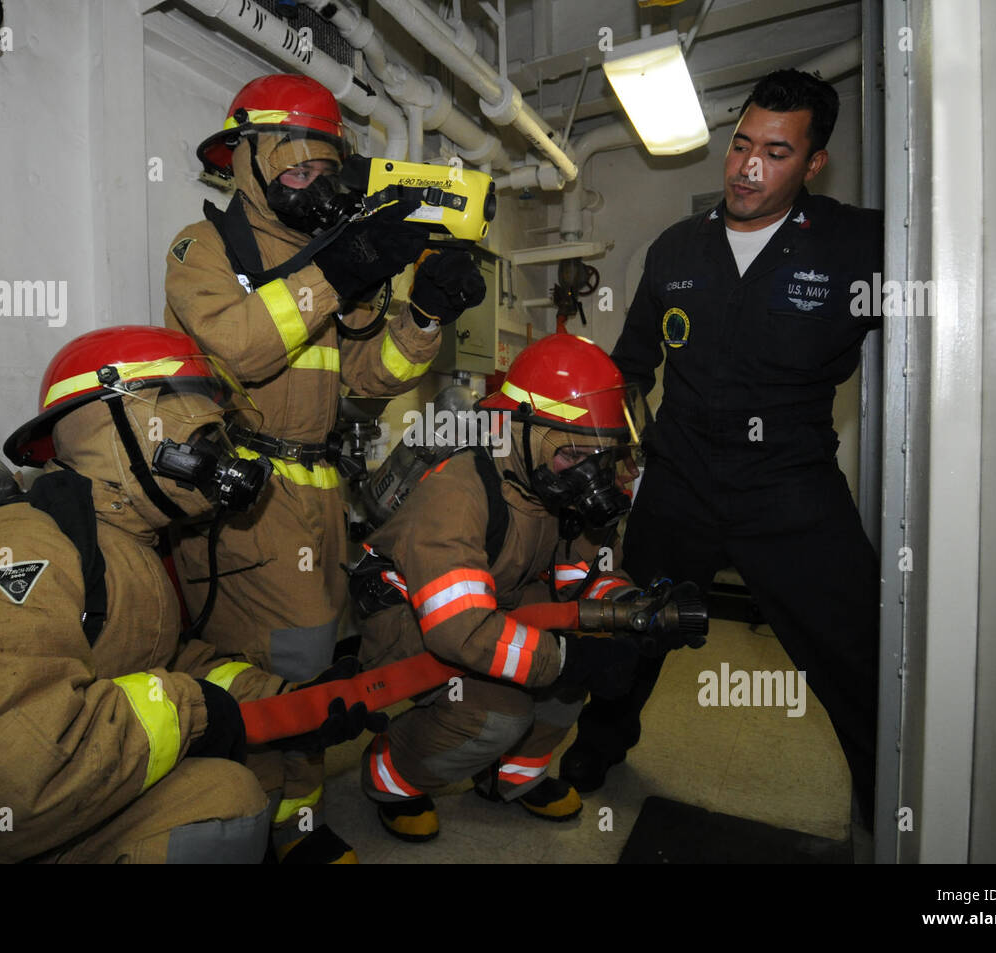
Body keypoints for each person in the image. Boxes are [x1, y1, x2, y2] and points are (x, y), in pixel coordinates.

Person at [0, 326, 297, 863]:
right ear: (120, 428)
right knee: (223, 802)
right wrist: (195, 710)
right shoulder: (27, 546)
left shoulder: (124, 541)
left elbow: (149, 655)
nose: (217, 451)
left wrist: (290, 699)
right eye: (199, 427)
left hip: (33, 811)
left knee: (257, 757)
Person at [164, 73, 485, 862]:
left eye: (322, 168)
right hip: (243, 490)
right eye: (293, 165)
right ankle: (268, 821)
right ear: (245, 159)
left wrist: (426, 315)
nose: (310, 182)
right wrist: (339, 268)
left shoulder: (338, 252)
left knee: (305, 666)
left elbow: (366, 380)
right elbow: (239, 346)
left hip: (319, 488)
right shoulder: (203, 248)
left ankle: (288, 815)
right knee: (279, 670)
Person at [563, 69, 884, 826]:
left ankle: (888, 791)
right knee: (631, 626)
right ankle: (600, 740)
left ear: (813, 165)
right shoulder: (678, 249)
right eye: (742, 144)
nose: (747, 167)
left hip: (791, 486)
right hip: (680, 480)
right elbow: (632, 363)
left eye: (776, 152)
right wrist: (610, 441)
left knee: (857, 649)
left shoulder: (857, 244)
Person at [348, 334, 657, 841]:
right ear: (522, 427)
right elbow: (460, 627)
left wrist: (633, 612)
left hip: (491, 599)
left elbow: (583, 579)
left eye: (599, 456)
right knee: (498, 713)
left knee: (577, 660)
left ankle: (511, 777)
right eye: (575, 454)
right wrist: (562, 657)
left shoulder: (547, 477)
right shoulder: (458, 487)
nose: (590, 474)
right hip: (411, 619)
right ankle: (392, 774)